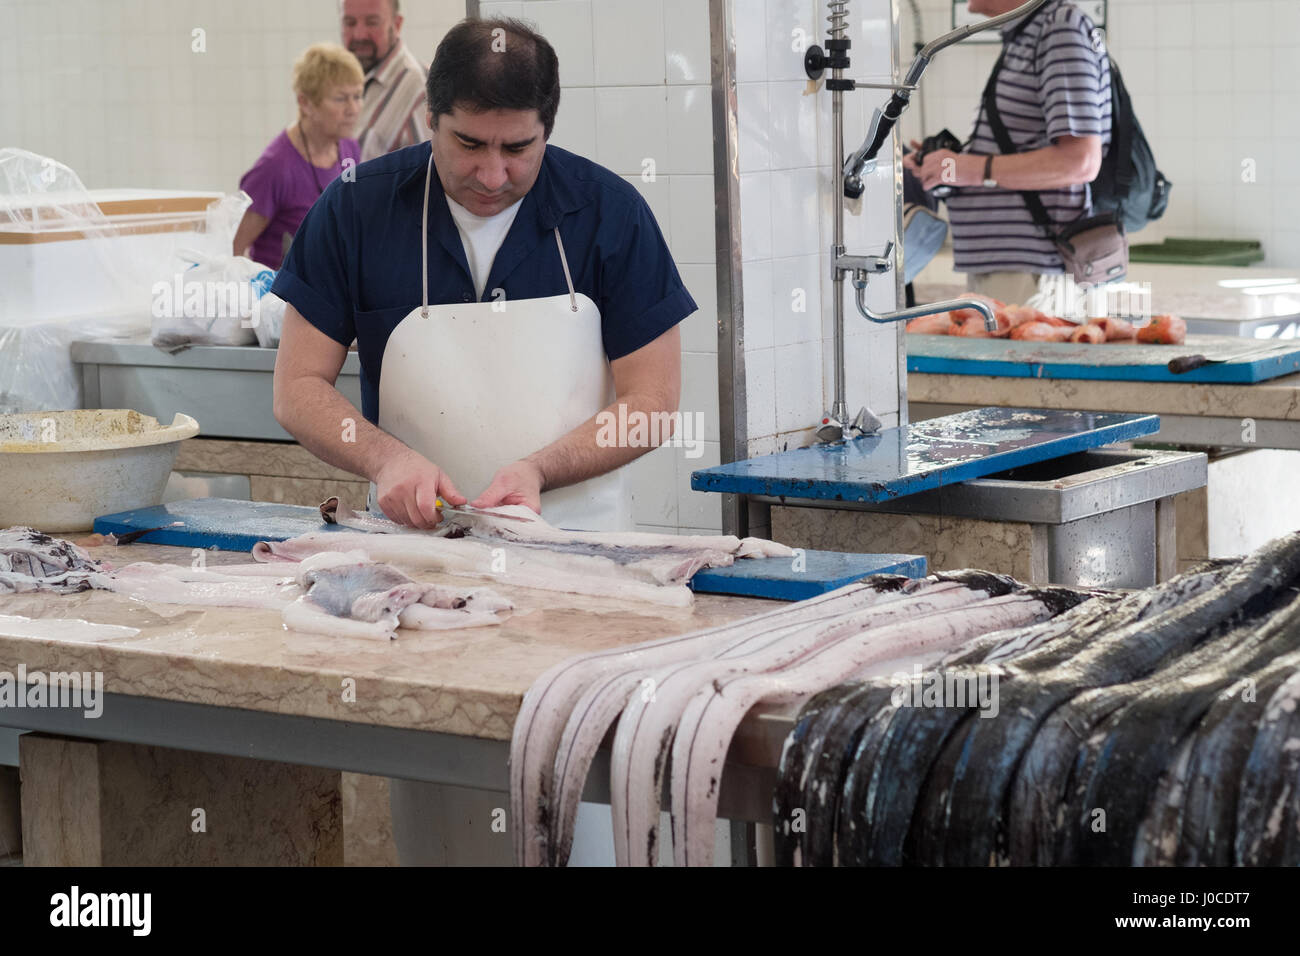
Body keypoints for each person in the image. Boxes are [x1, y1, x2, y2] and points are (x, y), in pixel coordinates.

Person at [271, 15, 694, 866]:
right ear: (429, 115)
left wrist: (540, 467)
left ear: (549, 129)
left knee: (581, 813)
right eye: (468, 145)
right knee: (445, 817)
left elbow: (654, 403)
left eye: (518, 149)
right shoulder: (358, 209)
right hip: (418, 579)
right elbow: (297, 389)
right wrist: (386, 457)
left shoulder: (609, 211)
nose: (492, 174)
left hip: (582, 567)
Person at [904, 0, 1112, 305]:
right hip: (1010, 269)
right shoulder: (1029, 32)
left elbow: (1080, 161)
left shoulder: (1059, 26)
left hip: (1034, 274)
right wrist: (944, 165)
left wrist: (967, 168)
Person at [234, 44, 363, 269]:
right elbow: (232, 248)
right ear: (305, 103)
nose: (353, 109)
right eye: (341, 99)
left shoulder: (349, 148)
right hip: (282, 298)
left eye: (358, 96)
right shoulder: (274, 168)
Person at [342, 0, 433, 162]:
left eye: (372, 23)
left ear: (397, 25)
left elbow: (428, 178)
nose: (359, 34)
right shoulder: (345, 79)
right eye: (350, 23)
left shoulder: (419, 90)